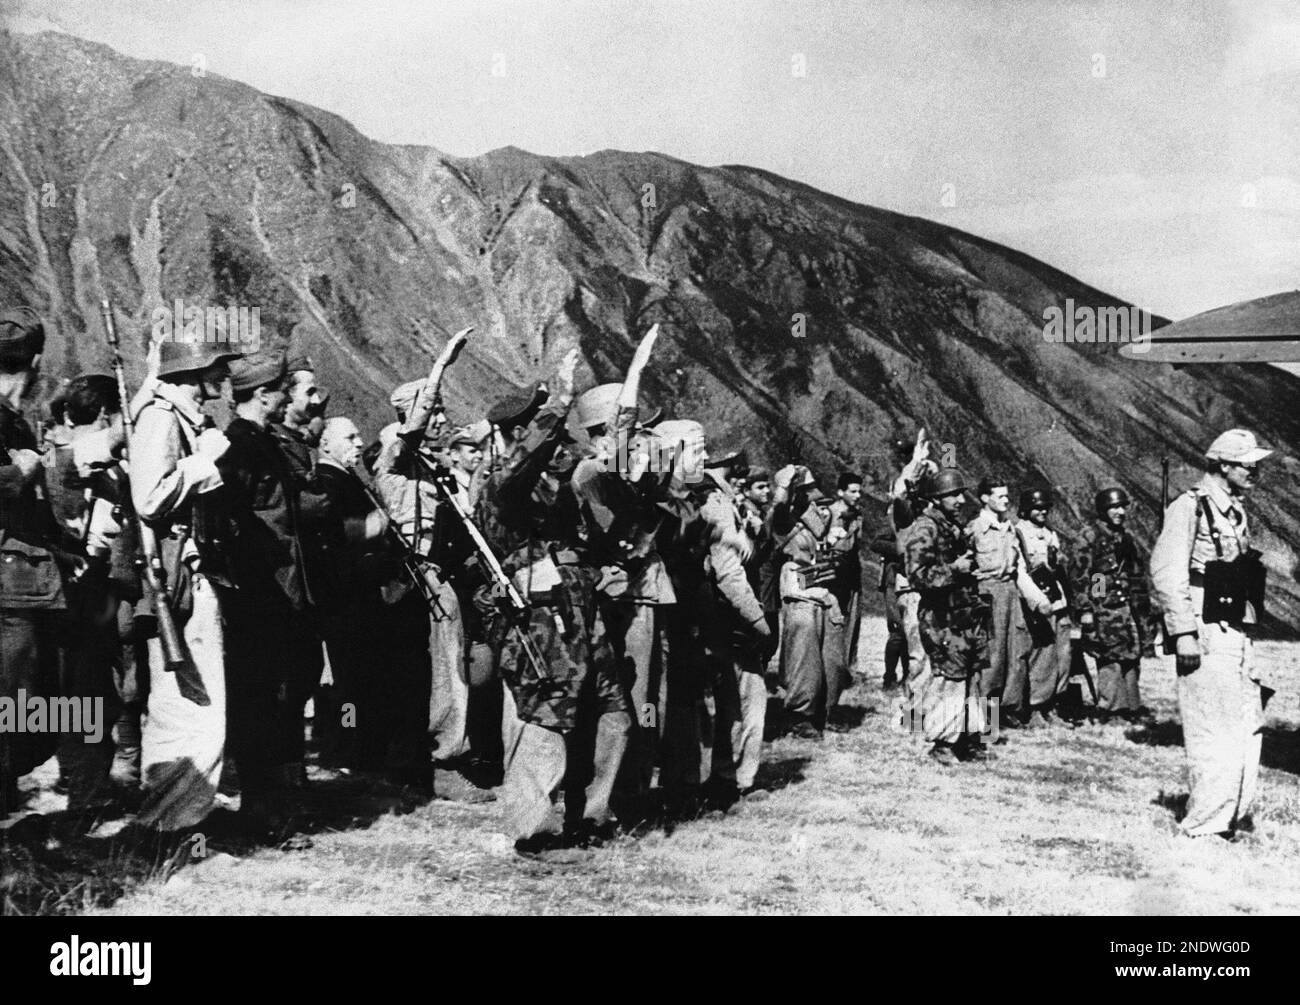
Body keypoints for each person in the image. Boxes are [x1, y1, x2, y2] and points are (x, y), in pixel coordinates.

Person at [477, 349, 631, 852]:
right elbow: (523, 464)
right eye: (547, 432)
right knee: (541, 716)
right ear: (517, 434)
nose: (563, 443)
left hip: (583, 609)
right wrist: (559, 402)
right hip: (541, 621)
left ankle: (593, 814)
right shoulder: (503, 487)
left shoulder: (561, 487)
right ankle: (534, 828)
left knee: (609, 707)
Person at [129, 335, 239, 835]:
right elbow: (150, 498)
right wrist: (205, 461)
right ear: (194, 374)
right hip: (181, 582)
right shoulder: (161, 418)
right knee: (190, 707)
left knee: (196, 704)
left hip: (194, 578)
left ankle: (182, 818)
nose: (223, 378)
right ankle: (171, 826)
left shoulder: (183, 419)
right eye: (216, 368)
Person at [1150, 429, 1273, 840]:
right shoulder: (1190, 507)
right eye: (1245, 464)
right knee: (1211, 727)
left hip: (1236, 625)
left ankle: (1232, 816)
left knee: (1244, 722)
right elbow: (1168, 571)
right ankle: (1204, 824)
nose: (1253, 471)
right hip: (1205, 624)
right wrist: (1183, 632)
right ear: (1222, 464)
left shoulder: (1234, 511)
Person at [0, 306, 67, 817]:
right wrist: (21, 471)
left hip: (22, 580)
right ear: (38, 361)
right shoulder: (10, 427)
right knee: (15, 700)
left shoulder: (15, 422)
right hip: (9, 589)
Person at [904, 467, 992, 764]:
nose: (959, 500)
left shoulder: (952, 526)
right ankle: (942, 742)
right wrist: (954, 569)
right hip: (943, 617)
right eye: (952, 495)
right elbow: (917, 575)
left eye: (959, 494)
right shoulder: (925, 528)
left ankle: (969, 737)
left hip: (965, 614)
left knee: (972, 676)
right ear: (937, 499)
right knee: (950, 679)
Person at [771, 466, 846, 738]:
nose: (812, 500)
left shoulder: (816, 518)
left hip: (822, 588)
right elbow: (778, 512)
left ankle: (826, 709)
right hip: (799, 589)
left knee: (832, 657)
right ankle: (799, 715)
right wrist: (783, 487)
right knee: (803, 657)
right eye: (804, 494)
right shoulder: (784, 522)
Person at [1070, 487, 1154, 722]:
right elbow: (1081, 575)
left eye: (1122, 507)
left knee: (1131, 657)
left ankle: (1132, 706)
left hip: (1127, 607)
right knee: (1109, 657)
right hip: (1104, 608)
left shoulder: (1126, 538)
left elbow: (1136, 573)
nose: (1120, 512)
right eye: (1114, 507)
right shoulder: (1089, 537)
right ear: (1103, 510)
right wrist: (1088, 608)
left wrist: (1141, 606)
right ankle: (1111, 709)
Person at [1013, 488, 1073, 726]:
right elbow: (1019, 570)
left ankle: (1055, 703)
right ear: (1027, 510)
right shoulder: (1019, 533)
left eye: (1045, 507)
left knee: (1063, 655)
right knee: (1042, 656)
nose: (1043, 512)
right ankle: (1037, 706)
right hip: (1038, 602)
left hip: (1058, 600)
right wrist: (1037, 601)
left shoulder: (1050, 534)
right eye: (1037, 508)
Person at [828, 471, 865, 673]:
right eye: (852, 491)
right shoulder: (830, 512)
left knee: (853, 620)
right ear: (840, 492)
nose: (857, 495)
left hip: (852, 573)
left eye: (859, 491)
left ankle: (848, 665)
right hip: (834, 573)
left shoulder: (858, 514)